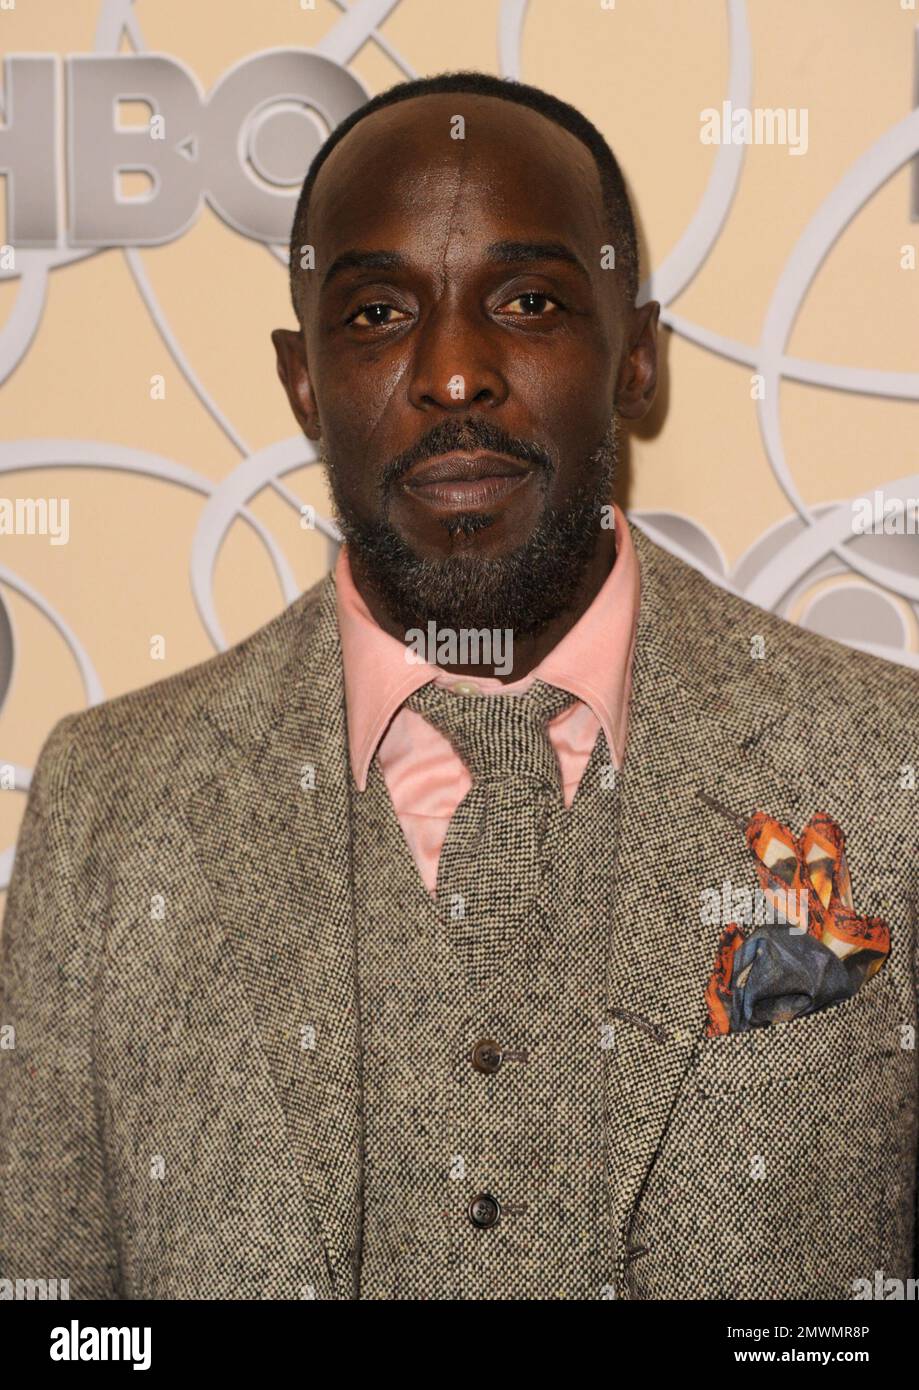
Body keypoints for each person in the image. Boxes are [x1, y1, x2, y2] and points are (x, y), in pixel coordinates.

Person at [1, 71, 916, 1302]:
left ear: (637, 359)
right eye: (378, 314)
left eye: (527, 301)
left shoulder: (884, 769)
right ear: (302, 382)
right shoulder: (111, 808)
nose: (451, 374)